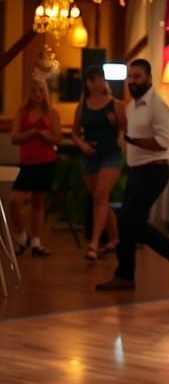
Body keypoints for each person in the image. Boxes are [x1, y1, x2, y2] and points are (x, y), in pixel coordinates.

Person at [96, 59, 169, 291]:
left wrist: (131, 140)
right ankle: (125, 276)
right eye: (130, 77)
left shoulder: (158, 105)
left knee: (128, 220)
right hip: (136, 172)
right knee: (127, 223)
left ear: (148, 78)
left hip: (154, 172)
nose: (132, 81)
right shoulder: (132, 107)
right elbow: (131, 135)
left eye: (137, 77)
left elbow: (164, 142)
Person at [71, 66, 125, 261]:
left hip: (110, 153)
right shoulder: (82, 105)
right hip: (89, 155)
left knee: (101, 195)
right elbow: (74, 133)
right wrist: (82, 145)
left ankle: (93, 244)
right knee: (99, 198)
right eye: (92, 79)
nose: (97, 82)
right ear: (87, 84)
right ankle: (116, 239)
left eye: (100, 79)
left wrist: (117, 129)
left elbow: (125, 129)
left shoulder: (116, 104)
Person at [8, 78, 61, 257]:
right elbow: (14, 137)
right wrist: (31, 133)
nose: (37, 94)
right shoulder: (22, 112)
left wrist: (46, 136)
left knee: (38, 203)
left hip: (45, 162)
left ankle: (37, 242)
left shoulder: (52, 113)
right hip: (26, 163)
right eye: (33, 91)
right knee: (14, 200)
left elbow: (57, 138)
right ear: (29, 94)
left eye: (40, 90)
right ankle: (22, 237)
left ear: (45, 93)